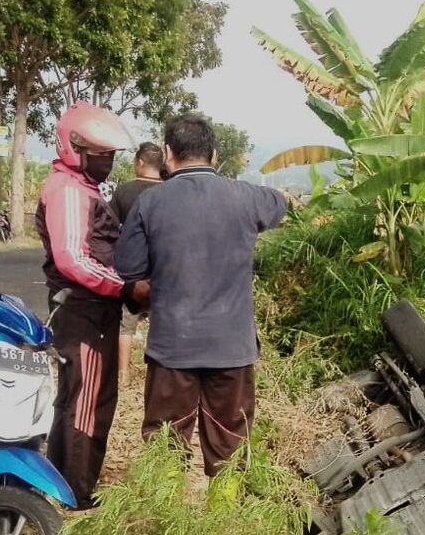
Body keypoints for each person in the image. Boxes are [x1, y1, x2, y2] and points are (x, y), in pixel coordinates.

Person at [114, 113, 288, 475]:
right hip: (231, 349)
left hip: (172, 348)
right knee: (230, 447)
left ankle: (168, 511)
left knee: (165, 446)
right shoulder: (247, 197)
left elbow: (128, 269)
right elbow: (280, 203)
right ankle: (222, 512)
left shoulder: (150, 203)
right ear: (214, 155)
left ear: (168, 153)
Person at [36, 101, 148, 509]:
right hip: (83, 311)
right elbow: (73, 259)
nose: (107, 162)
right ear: (75, 149)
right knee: (87, 402)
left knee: (76, 397)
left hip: (87, 310)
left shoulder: (80, 187)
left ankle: (60, 482)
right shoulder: (68, 191)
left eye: (110, 155)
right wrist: (127, 288)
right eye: (100, 154)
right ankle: (75, 494)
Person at [110, 142, 165, 378]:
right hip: (164, 271)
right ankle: (157, 374)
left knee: (126, 325)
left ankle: (123, 373)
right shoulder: (171, 192)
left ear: (140, 163)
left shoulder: (124, 192)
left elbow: (110, 229)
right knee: (162, 324)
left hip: (132, 274)